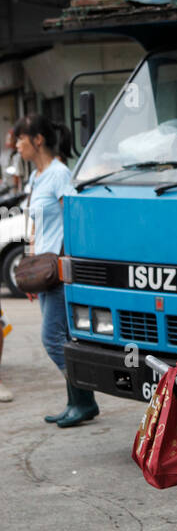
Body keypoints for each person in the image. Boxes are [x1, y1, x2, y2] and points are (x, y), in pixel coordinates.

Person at [16, 114, 99, 427]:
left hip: (59, 268)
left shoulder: (59, 173)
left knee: (52, 338)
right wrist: (30, 268)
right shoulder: (36, 177)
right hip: (43, 269)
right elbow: (35, 225)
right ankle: (75, 402)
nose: (18, 148)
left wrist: (64, 261)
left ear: (37, 139)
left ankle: (86, 398)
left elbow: (73, 219)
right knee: (62, 337)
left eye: (21, 140)